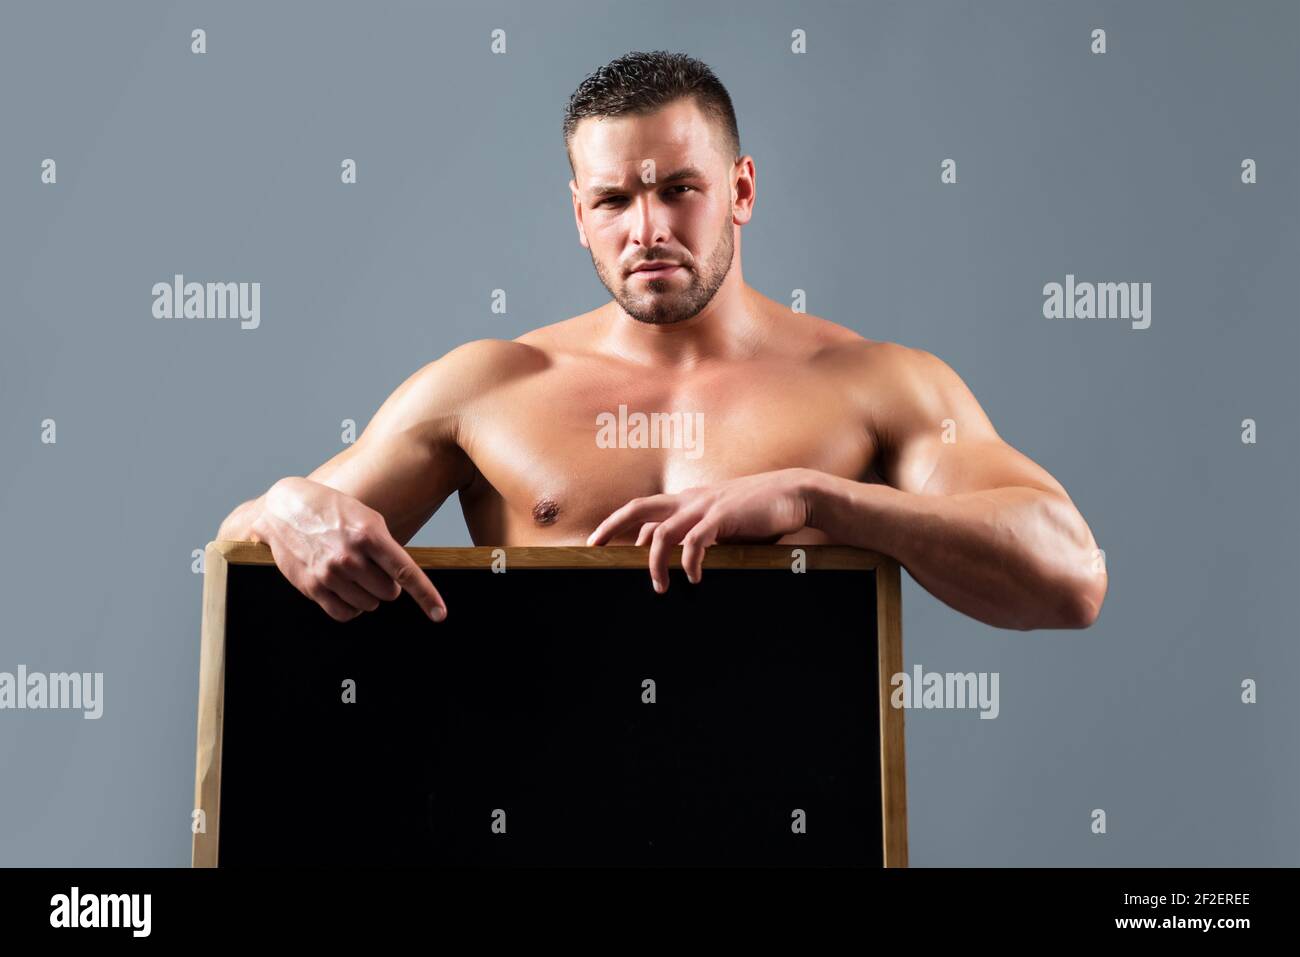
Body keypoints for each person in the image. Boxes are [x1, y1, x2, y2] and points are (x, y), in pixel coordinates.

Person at [217, 51, 1106, 631]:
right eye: (613, 200)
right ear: (579, 215)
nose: (647, 228)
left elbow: (1069, 573)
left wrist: (819, 498)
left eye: (679, 187)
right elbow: (251, 551)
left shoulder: (875, 383)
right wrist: (286, 504)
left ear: (741, 188)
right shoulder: (487, 386)